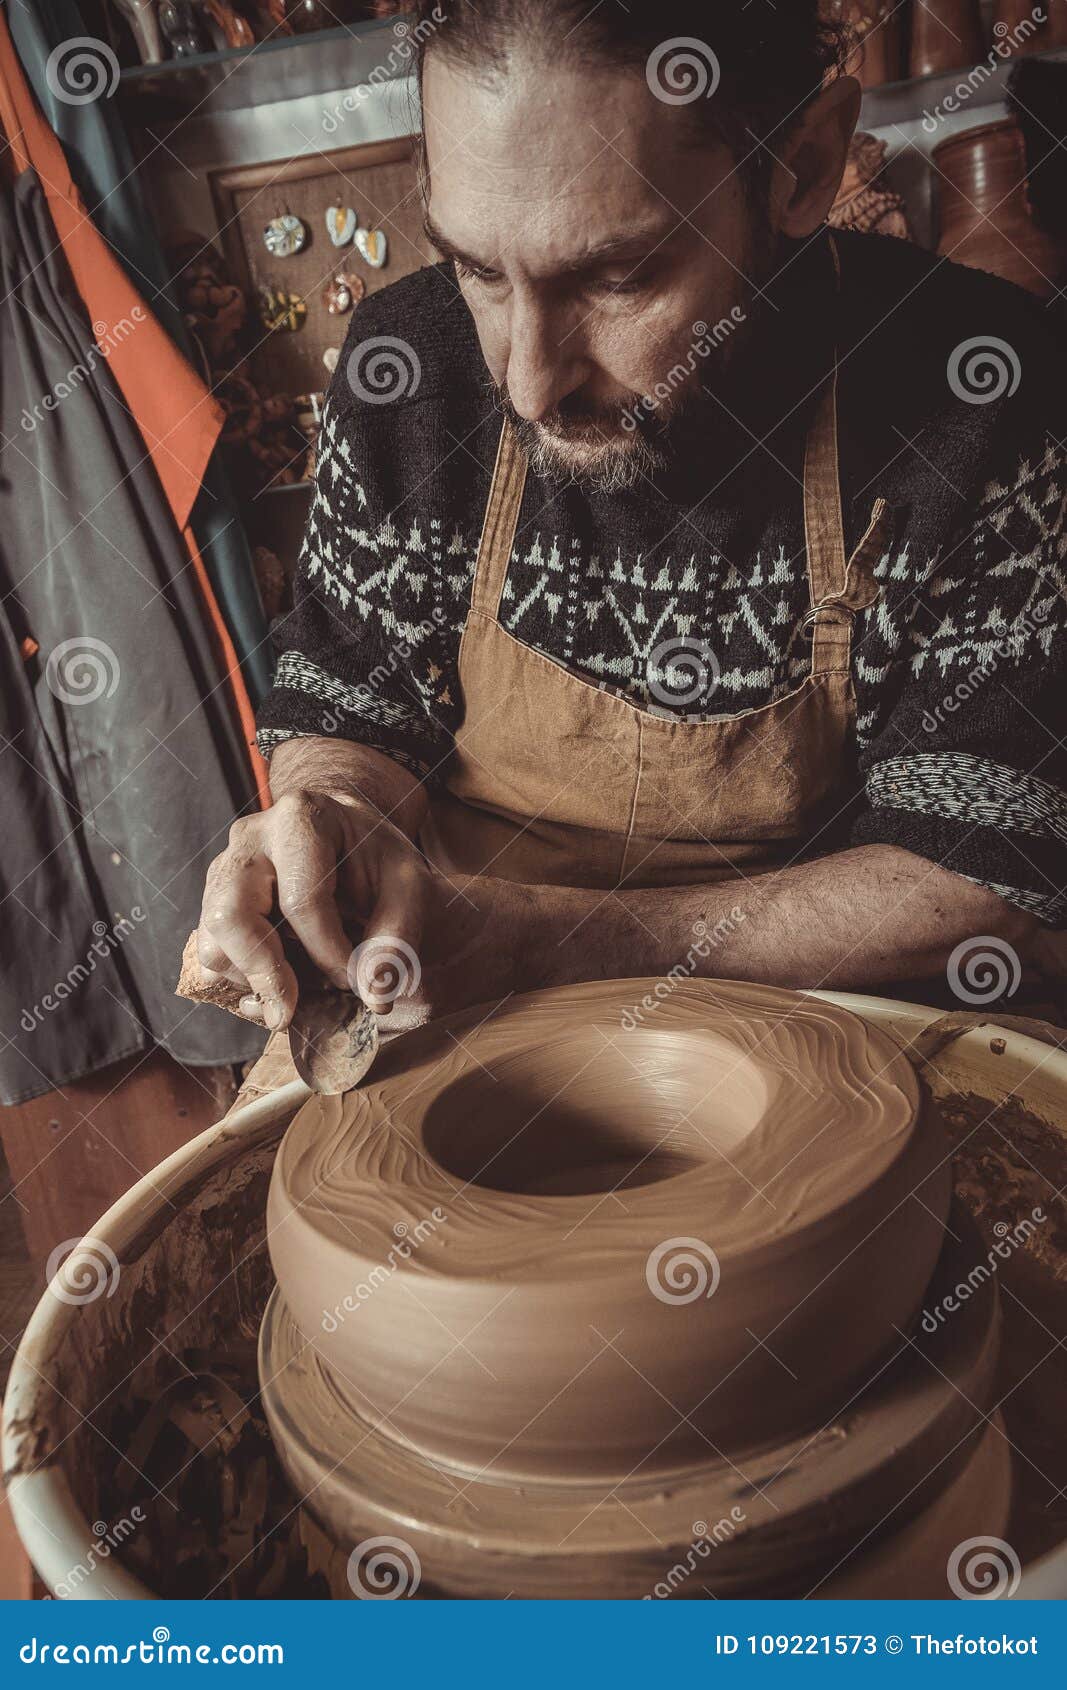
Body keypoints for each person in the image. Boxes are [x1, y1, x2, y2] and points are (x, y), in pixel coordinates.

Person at [196, 0, 1065, 1032]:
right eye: (477, 269)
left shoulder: (975, 389)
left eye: (615, 277)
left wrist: (531, 941)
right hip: (459, 1003)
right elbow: (351, 706)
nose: (526, 383)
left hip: (835, 1021)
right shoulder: (409, 369)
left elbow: (987, 874)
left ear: (802, 163)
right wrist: (333, 822)